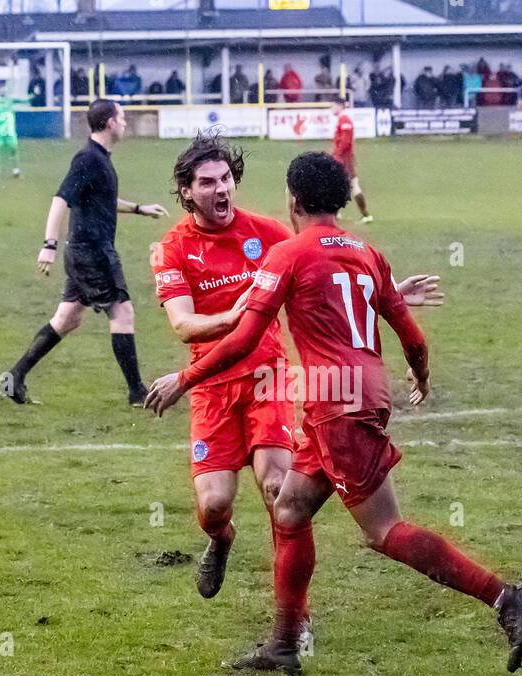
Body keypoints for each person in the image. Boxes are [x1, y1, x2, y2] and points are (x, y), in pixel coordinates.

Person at [143, 152, 522, 675]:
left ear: (293, 199)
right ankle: (284, 646)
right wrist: (420, 376)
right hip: (356, 397)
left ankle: (505, 597)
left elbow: (243, 339)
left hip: (338, 404)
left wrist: (184, 377)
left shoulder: (287, 253)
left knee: (383, 531)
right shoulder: (366, 251)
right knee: (288, 511)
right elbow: (411, 336)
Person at [153, 133, 445, 605]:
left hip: (268, 378)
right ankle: (222, 538)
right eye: (207, 182)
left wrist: (387, 291)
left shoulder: (266, 232)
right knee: (214, 504)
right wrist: (234, 315)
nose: (220, 188)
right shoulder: (173, 249)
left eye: (226, 178)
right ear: (186, 191)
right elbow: (185, 326)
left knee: (277, 489)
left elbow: (326, 257)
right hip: (212, 384)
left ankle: (293, 620)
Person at [0, 100, 169, 407]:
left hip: (87, 251)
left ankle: (14, 378)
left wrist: (141, 209)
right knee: (122, 312)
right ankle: (136, 392)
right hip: (92, 252)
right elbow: (59, 200)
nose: (126, 123)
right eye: (122, 118)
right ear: (108, 123)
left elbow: (104, 199)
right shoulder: (87, 159)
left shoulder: (99, 159)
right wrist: (48, 245)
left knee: (67, 318)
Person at [332, 96, 371, 223]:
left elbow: (345, 142)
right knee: (340, 185)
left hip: (344, 160)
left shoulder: (344, 120)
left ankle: (366, 215)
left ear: (340, 106)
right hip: (344, 159)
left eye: (333, 106)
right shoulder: (343, 120)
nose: (332, 108)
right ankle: (336, 214)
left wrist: (337, 155)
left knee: (350, 186)